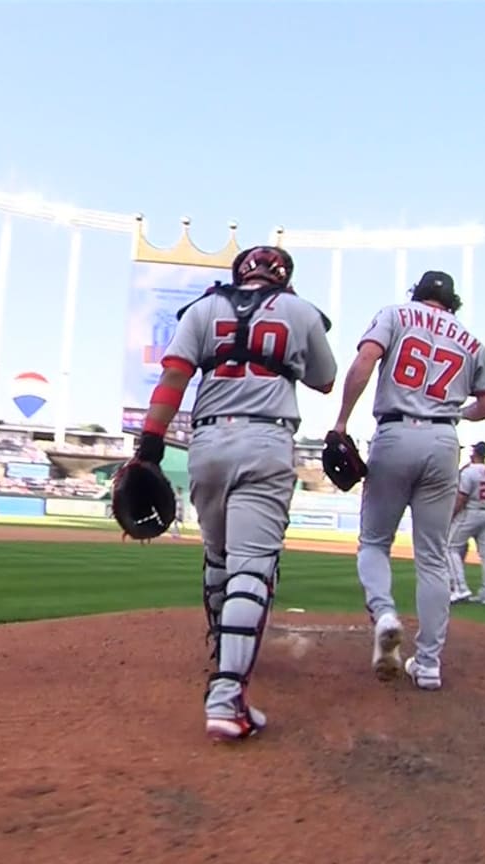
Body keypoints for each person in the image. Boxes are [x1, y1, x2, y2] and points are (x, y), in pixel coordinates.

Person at [131, 245, 336, 741]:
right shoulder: (301, 309)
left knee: (219, 559)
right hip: (265, 440)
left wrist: (149, 447)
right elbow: (326, 380)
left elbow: (174, 376)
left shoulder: (202, 307)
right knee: (252, 567)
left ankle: (222, 649)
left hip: (206, 442)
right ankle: (227, 695)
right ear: (284, 275)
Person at [330, 270, 485, 691]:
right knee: (433, 557)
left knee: (373, 542)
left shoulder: (395, 314)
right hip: (444, 441)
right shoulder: (470, 340)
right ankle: (428, 665)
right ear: (452, 301)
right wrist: (457, 414)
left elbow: (366, 360)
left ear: (416, 294)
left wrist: (342, 420)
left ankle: (385, 612)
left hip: (395, 432)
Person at [448, 441, 485, 605]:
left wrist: (451, 516)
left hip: (470, 512)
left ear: (474, 453)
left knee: (449, 547)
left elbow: (462, 497)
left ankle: (460, 588)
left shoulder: (469, 472)